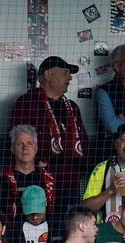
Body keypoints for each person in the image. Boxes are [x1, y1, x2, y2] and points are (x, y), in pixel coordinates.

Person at [9, 56, 91, 211]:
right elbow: (18, 144)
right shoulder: (27, 103)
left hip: (70, 184)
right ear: (48, 74)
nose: (70, 77)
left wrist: (79, 170)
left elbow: (84, 143)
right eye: (66, 72)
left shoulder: (72, 107)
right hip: (37, 185)